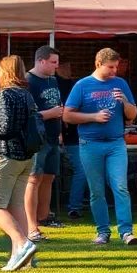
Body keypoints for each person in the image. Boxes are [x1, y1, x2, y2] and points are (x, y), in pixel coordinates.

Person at [63, 48, 137, 246]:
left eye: (116, 67)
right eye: (111, 67)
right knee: (96, 190)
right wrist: (93, 117)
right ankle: (103, 231)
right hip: (90, 144)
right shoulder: (82, 85)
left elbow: (132, 114)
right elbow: (67, 115)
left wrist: (124, 101)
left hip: (115, 143)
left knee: (120, 187)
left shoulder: (120, 84)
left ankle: (126, 232)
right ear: (98, 64)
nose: (115, 71)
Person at [0, 56, 42, 271]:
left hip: (4, 156)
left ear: (5, 72)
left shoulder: (5, 96)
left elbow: (5, 129)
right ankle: (21, 260)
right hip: (26, 157)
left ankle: (23, 244)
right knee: (16, 205)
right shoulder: (27, 95)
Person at [25, 46, 66, 242]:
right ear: (41, 61)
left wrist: (59, 132)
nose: (56, 66)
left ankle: (44, 217)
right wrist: (50, 114)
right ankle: (30, 224)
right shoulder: (28, 81)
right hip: (36, 138)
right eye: (53, 62)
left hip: (52, 135)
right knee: (34, 179)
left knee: (49, 177)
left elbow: (56, 104)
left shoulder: (52, 79)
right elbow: (26, 115)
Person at [55, 62, 86, 219]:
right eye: (64, 66)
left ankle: (77, 205)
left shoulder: (74, 85)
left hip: (81, 135)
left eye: (69, 66)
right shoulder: (56, 84)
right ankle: (74, 206)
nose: (69, 69)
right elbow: (60, 111)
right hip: (69, 136)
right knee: (81, 170)